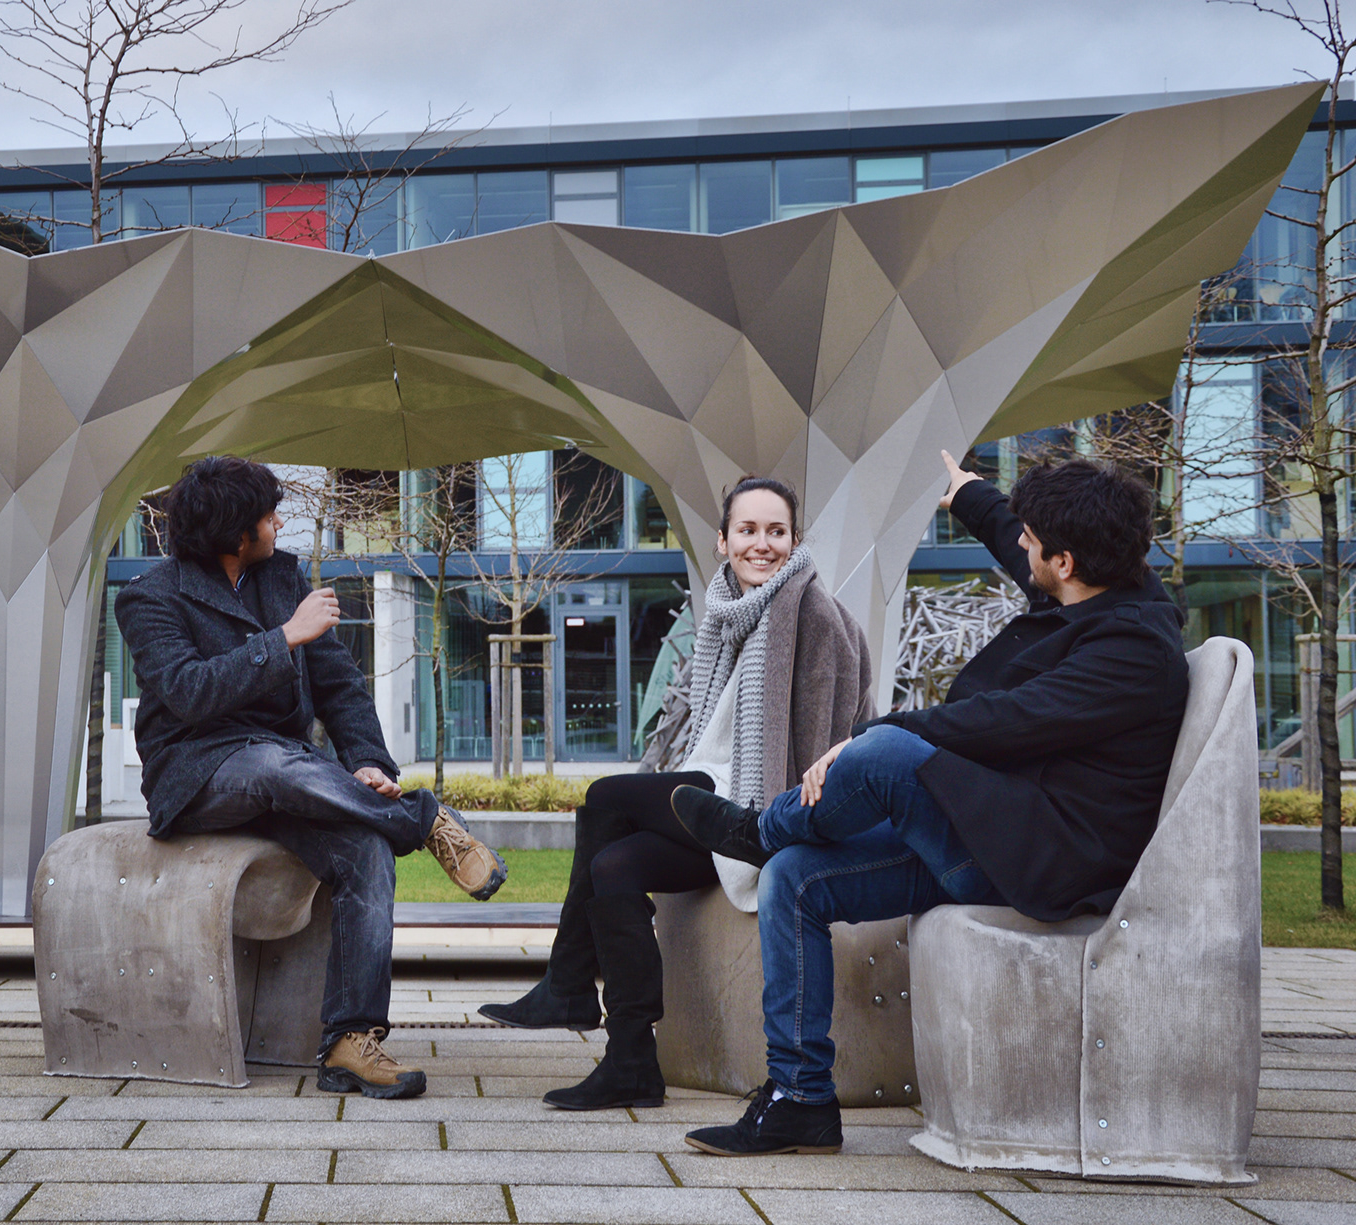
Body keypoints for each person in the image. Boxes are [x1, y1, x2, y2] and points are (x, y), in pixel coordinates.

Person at [670, 452, 1188, 1157]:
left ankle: (760, 827)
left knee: (884, 755)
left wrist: (873, 734)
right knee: (795, 877)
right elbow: (1020, 541)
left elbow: (1008, 719)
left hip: (1039, 857)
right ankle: (800, 1099)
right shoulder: (1098, 583)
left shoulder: (1132, 651)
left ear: (1065, 561)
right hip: (990, 827)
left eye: (1036, 543)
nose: (1024, 547)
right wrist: (973, 495)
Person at [115, 456, 509, 1101]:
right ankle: (427, 821)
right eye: (267, 514)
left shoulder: (284, 574)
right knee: (273, 764)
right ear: (234, 530)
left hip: (287, 772)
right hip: (197, 769)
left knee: (365, 848)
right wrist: (284, 638)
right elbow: (187, 692)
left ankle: (351, 1042)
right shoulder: (150, 595)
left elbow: (339, 686)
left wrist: (370, 764)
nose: (277, 522)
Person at [478, 476, 871, 1111]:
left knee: (606, 796)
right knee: (613, 866)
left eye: (777, 532)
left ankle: (569, 981)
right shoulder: (727, 615)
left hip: (752, 813)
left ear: (796, 540)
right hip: (709, 799)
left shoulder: (814, 617)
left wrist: (789, 822)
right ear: (722, 541)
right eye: (748, 530)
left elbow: (826, 737)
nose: (762, 544)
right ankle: (631, 1057)